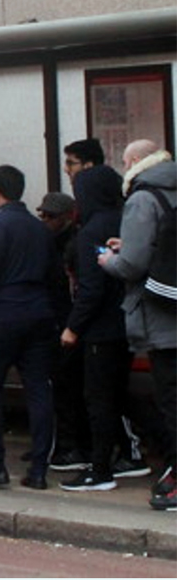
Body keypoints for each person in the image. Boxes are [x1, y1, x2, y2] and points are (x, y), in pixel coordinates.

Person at [0, 165, 58, 490]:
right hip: (41, 315)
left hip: (4, 315)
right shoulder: (39, 228)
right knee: (39, 389)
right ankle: (40, 469)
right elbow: (54, 276)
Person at [99, 139, 177, 511]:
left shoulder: (143, 198)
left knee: (172, 402)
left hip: (165, 318)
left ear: (133, 162)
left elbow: (131, 265)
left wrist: (109, 260)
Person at [59, 164, 135, 491]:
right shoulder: (124, 221)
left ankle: (100, 469)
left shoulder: (90, 231)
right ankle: (134, 456)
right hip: (127, 322)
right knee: (119, 395)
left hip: (100, 329)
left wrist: (73, 327)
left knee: (98, 399)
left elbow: (91, 289)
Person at [35, 190, 90, 471]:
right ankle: (62, 444)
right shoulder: (52, 242)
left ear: (67, 217)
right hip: (58, 321)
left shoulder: (70, 245)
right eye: (42, 214)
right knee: (61, 386)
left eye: (51, 216)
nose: (45, 220)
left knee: (68, 387)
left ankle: (71, 446)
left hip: (69, 324)